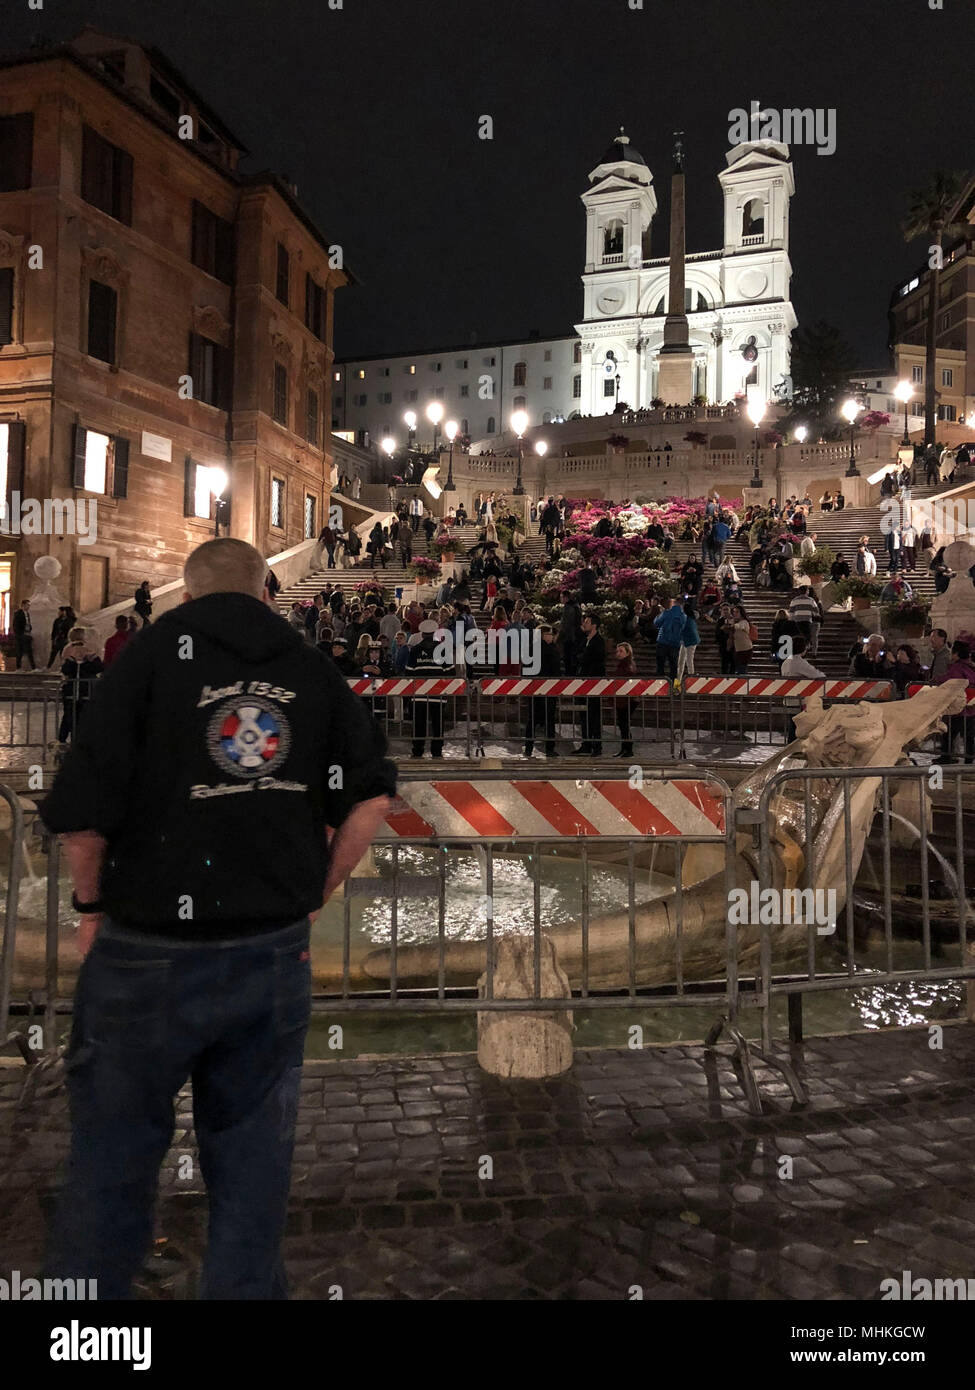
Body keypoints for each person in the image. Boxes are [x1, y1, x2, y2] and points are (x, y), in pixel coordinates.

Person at [40, 538, 395, 1299]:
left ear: (187, 595)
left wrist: (89, 907)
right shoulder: (310, 666)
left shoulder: (143, 654)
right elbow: (369, 799)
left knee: (110, 1160)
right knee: (252, 1167)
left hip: (145, 945)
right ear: (269, 591)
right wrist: (318, 891)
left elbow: (83, 816)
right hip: (269, 948)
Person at [408, 619, 449, 757]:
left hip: (419, 695)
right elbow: (450, 673)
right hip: (438, 695)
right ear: (434, 633)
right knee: (438, 724)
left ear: (422, 634)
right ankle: (437, 751)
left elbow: (409, 672)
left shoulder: (414, 650)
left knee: (419, 724)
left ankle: (417, 750)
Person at [57, 628, 104, 742]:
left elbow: (98, 667)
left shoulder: (81, 650)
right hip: (78, 688)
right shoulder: (73, 650)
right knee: (72, 714)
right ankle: (67, 739)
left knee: (71, 714)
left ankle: (67, 739)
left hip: (78, 688)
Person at [571, 612, 606, 756]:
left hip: (593, 683)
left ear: (594, 625)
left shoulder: (599, 642)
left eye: (587, 621)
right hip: (582, 682)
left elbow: (587, 658)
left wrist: (582, 657)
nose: (583, 623)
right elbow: (576, 655)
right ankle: (586, 744)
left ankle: (596, 746)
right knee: (584, 716)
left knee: (594, 716)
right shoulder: (584, 639)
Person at [524, 625, 560, 758]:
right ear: (544, 635)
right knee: (549, 720)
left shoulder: (531, 649)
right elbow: (556, 669)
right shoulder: (551, 649)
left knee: (532, 720)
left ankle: (528, 748)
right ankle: (549, 749)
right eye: (550, 634)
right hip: (549, 689)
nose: (552, 636)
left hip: (534, 689)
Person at [936, 640, 975, 763]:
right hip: (971, 708)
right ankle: (969, 760)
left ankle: (946, 756)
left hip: (960, 709)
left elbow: (952, 681)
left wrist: (936, 680)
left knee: (949, 733)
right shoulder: (970, 667)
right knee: (968, 736)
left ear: (956, 653)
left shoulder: (957, 668)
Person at [613, 641, 637, 757]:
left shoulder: (627, 665)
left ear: (628, 653)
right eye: (617, 651)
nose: (618, 653)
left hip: (627, 700)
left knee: (624, 724)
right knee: (622, 724)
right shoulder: (622, 664)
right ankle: (624, 748)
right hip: (622, 699)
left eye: (621, 651)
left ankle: (628, 749)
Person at [653, 597, 686, 680]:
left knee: (660, 665)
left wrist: (658, 615)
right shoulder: (684, 617)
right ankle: (673, 685)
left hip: (662, 641)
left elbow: (657, 623)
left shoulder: (666, 613)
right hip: (675, 643)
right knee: (673, 666)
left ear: (673, 603)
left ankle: (660, 683)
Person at [789, 586, 823, 657]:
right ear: (807, 591)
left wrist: (792, 620)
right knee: (808, 636)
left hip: (797, 621)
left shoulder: (794, 600)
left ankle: (801, 652)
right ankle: (808, 650)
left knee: (801, 636)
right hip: (807, 620)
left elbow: (791, 612)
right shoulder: (811, 600)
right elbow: (816, 612)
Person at [676, 601, 700, 685]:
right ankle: (679, 680)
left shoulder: (686, 619)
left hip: (690, 642)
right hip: (686, 641)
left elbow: (680, 630)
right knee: (682, 661)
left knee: (688, 661)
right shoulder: (690, 618)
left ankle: (691, 680)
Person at [12, 598, 34, 669]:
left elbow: (28, 623)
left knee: (29, 651)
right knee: (20, 652)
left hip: (26, 634)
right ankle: (18, 667)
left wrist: (29, 628)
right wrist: (19, 634)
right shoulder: (18, 613)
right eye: (28, 605)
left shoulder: (27, 614)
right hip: (21, 635)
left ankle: (33, 667)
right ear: (23, 605)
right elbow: (16, 625)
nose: (29, 607)